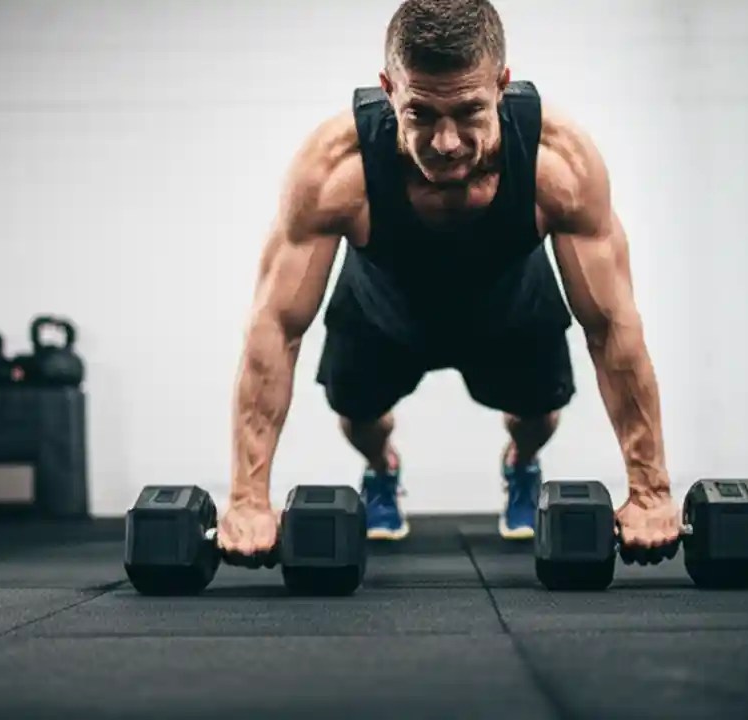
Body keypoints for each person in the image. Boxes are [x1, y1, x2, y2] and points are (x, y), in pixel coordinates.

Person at [219, 0, 681, 566]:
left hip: (510, 309)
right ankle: (383, 469)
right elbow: (275, 328)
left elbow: (612, 329)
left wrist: (651, 493)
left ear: (502, 86)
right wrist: (246, 500)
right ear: (389, 89)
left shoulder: (557, 165)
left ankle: (520, 464)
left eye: (468, 112)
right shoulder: (336, 171)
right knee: (357, 416)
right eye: (420, 115)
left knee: (540, 414)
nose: (445, 141)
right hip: (378, 311)